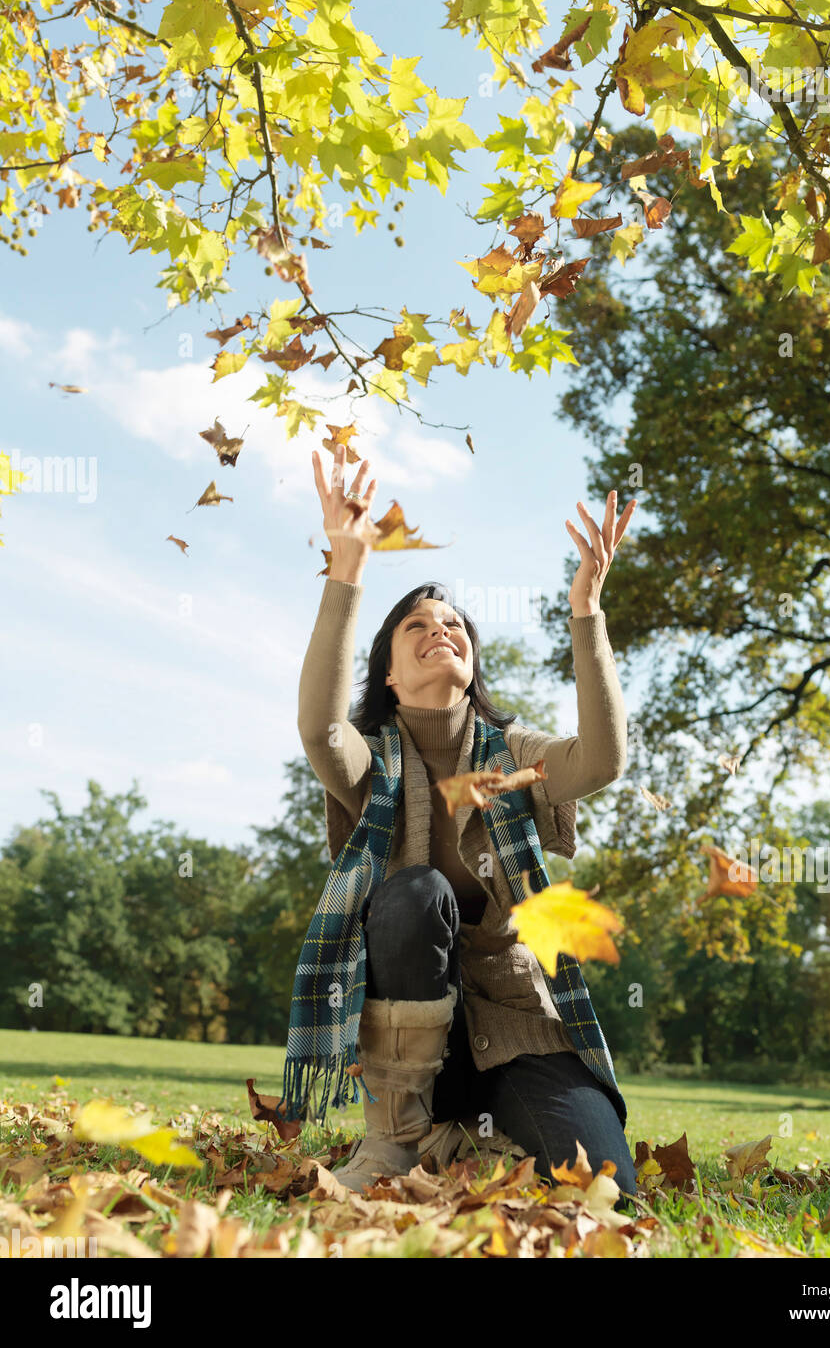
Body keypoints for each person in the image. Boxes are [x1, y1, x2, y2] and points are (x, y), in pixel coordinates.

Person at [290, 442, 639, 1210]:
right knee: (412, 894)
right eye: (416, 623)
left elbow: (602, 759)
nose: (439, 629)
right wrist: (345, 571)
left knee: (602, 1189)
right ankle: (395, 1133)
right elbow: (319, 729)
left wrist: (588, 612)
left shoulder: (514, 754)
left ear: (473, 661)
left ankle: (467, 1138)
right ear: (387, 668)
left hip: (516, 1024)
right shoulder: (370, 762)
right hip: (410, 1042)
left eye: (453, 623)